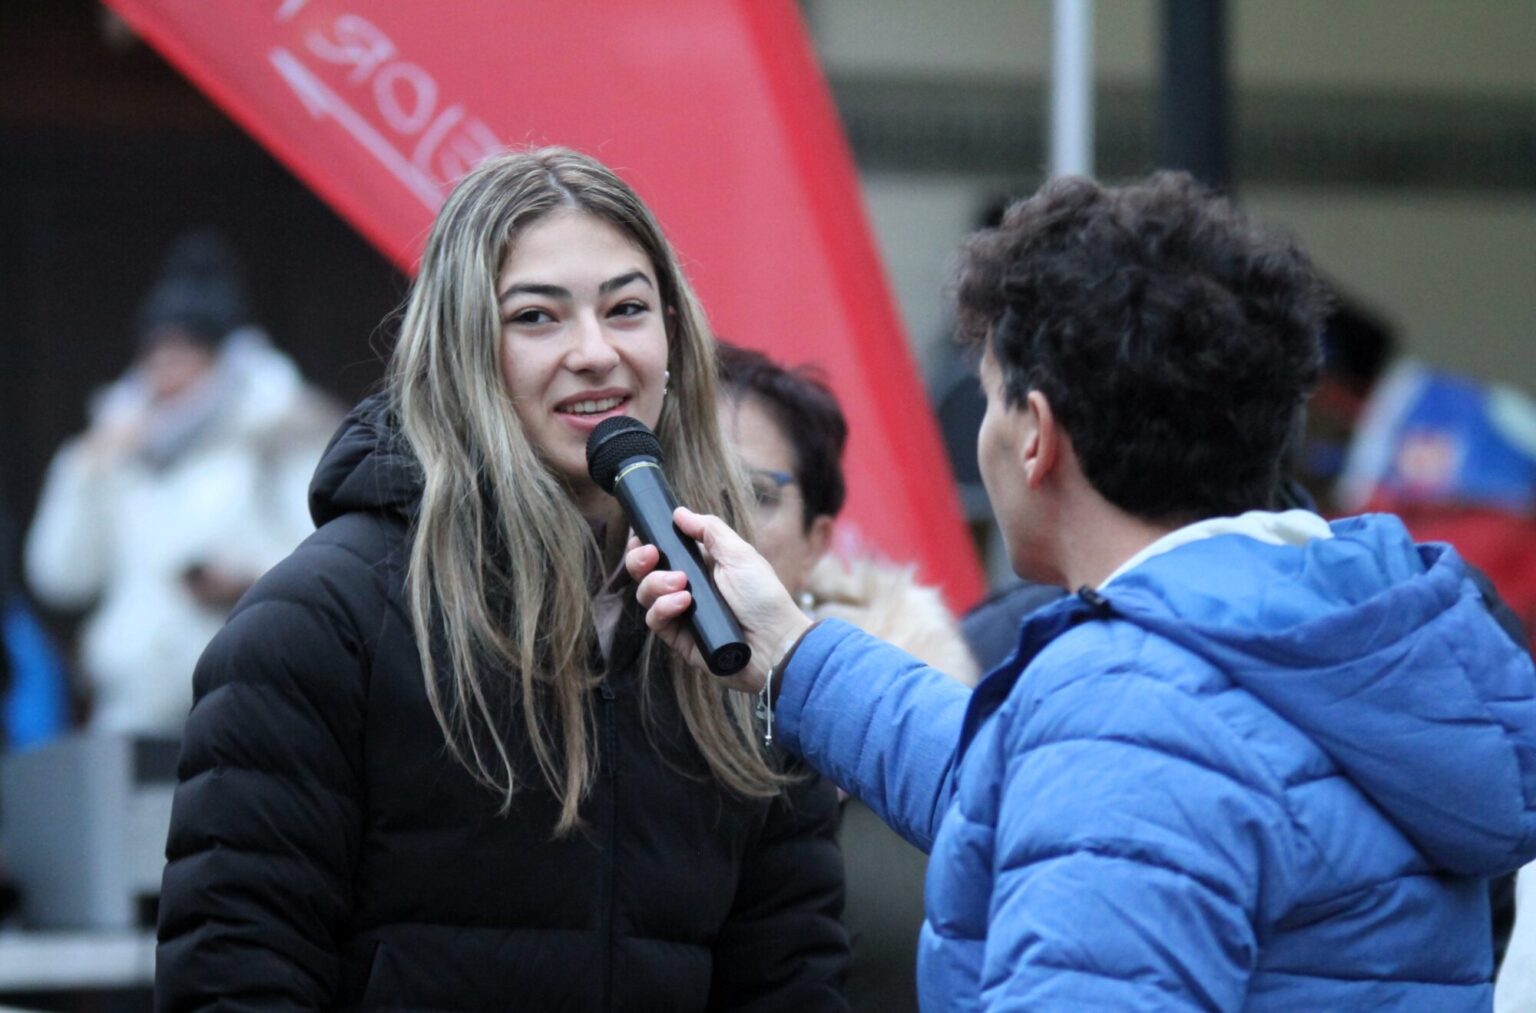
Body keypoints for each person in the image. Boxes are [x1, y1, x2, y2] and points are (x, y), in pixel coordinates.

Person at [630, 172, 1536, 1009]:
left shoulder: (1131, 711)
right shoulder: (1328, 629)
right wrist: (790, 651)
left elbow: (1101, 782)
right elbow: (1022, 784)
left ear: (1037, 437)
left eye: (988, 397)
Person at [154, 148, 848, 1011]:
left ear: (674, 338)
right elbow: (235, 977)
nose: (595, 353)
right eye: (537, 317)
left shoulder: (727, 633)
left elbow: (792, 982)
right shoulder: (320, 624)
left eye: (627, 308)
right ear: (462, 351)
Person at [717, 342, 974, 1012]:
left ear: (817, 540)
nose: (719, 523)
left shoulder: (919, 746)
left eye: (756, 493)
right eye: (688, 482)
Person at [24, 231, 338, 734]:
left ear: (218, 354)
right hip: (133, 714)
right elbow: (60, 577)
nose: (165, 365)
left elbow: (327, 556)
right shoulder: (119, 441)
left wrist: (248, 580)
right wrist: (86, 469)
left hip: (250, 699)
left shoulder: (277, 427)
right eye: (156, 349)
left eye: (186, 348)